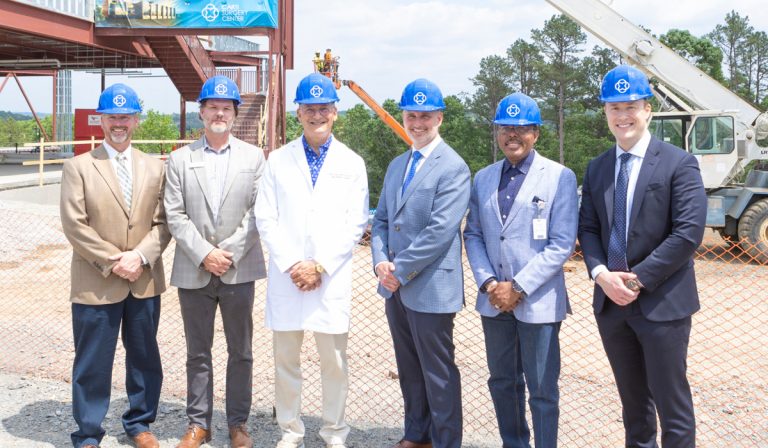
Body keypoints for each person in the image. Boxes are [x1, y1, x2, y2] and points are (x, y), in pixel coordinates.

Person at [578, 65, 707, 447]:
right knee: (633, 407)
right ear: (605, 113)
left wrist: (635, 280)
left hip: (661, 304)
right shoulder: (599, 167)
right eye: (614, 108)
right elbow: (588, 228)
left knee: (673, 407)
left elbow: (687, 234)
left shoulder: (678, 163)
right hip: (612, 305)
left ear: (648, 109)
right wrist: (602, 275)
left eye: (631, 106)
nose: (623, 116)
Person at [254, 73, 369, 448]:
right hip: (288, 276)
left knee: (334, 362)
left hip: (329, 277)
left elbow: (356, 222)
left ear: (335, 113)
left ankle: (334, 431)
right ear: (298, 114)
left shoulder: (351, 163)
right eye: (309, 109)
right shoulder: (277, 160)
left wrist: (318, 264)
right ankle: (290, 430)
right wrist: (293, 264)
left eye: (324, 108)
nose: (316, 115)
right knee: (286, 361)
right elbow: (265, 217)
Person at [463, 93, 578, 448]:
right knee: (502, 382)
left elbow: (561, 243)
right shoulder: (483, 178)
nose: (512, 135)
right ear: (497, 133)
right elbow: (475, 233)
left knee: (542, 388)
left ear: (536, 134)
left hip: (539, 301)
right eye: (505, 128)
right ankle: (514, 443)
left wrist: (519, 286)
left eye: (522, 129)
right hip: (493, 299)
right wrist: (489, 283)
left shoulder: (559, 177)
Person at [60, 83, 170, 448]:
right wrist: (115, 260)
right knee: (92, 362)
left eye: (125, 117)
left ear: (136, 120)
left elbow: (164, 222)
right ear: (101, 120)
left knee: (144, 358)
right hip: (96, 281)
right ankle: (88, 432)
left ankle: (139, 424)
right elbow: (75, 225)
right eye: (111, 117)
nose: (118, 124)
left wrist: (139, 257)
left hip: (143, 279)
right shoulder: (79, 167)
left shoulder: (155, 168)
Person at [164, 75, 267, 448]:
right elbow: (175, 215)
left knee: (241, 351)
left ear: (235, 114)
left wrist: (229, 253)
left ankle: (238, 424)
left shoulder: (254, 158)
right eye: (212, 107)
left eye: (226, 107)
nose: (219, 113)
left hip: (240, 269)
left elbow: (258, 213)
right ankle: (198, 424)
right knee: (198, 351)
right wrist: (205, 254)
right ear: (202, 113)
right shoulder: (180, 159)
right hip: (194, 269)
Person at [371, 78, 470, 448]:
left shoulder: (453, 167)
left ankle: (446, 441)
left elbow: (441, 231)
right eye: (411, 115)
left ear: (439, 118)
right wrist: (381, 262)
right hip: (395, 285)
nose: (417, 123)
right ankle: (417, 434)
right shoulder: (398, 164)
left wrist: (399, 269)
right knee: (410, 369)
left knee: (438, 372)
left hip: (429, 286)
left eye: (425, 116)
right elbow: (381, 220)